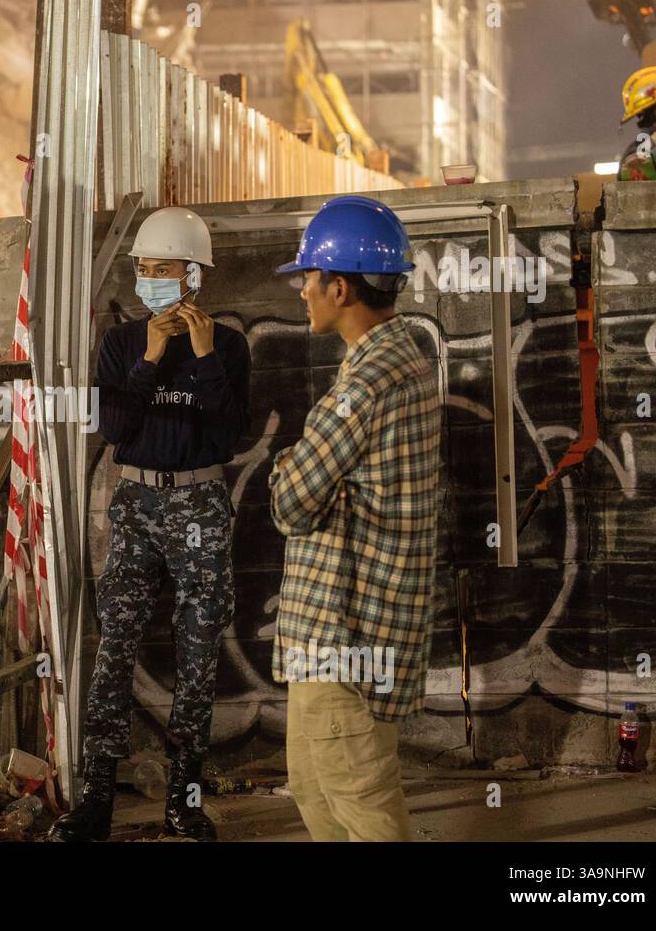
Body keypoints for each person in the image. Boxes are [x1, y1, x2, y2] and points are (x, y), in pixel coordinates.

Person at [48, 207, 251, 842]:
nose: (150, 280)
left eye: (162, 270)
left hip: (201, 506)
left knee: (197, 656)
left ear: (193, 276)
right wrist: (153, 357)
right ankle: (95, 805)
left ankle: (184, 807)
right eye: (143, 269)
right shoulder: (121, 343)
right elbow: (117, 431)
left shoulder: (230, 345)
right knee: (115, 651)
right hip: (136, 504)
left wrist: (199, 353)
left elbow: (227, 430)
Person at [269, 195, 441, 841]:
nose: (303, 293)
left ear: (339, 287)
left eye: (307, 280)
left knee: (361, 803)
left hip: (344, 639)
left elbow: (290, 498)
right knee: (318, 792)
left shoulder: (365, 384)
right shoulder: (405, 360)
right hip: (338, 643)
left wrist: (289, 463)